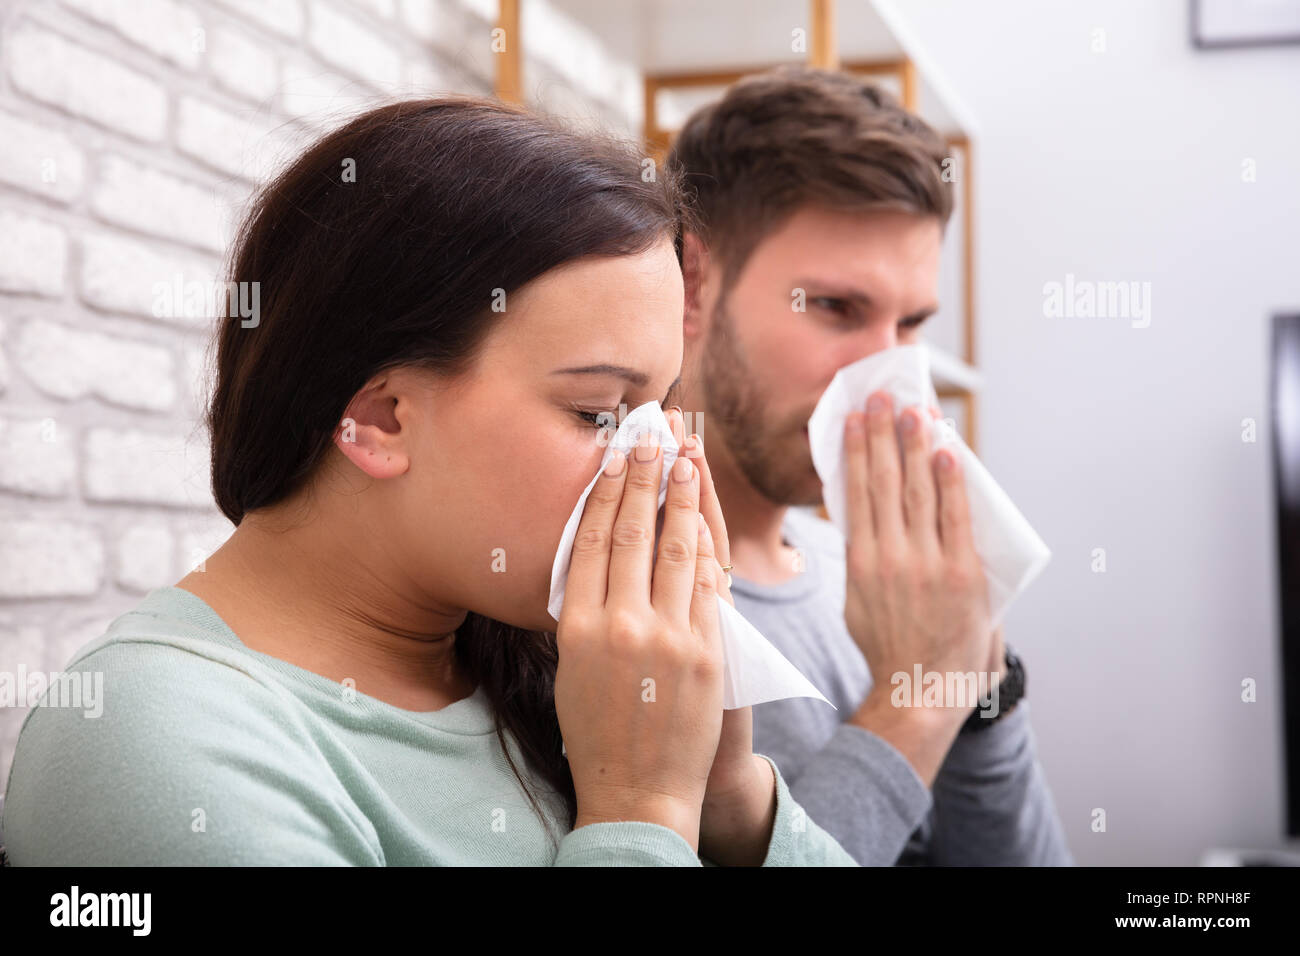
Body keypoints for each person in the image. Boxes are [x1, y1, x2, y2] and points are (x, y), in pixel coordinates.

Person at [0, 97, 857, 867]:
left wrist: (727, 795)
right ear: (378, 420)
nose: (657, 463)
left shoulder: (554, 669)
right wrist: (641, 810)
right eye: (599, 413)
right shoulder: (149, 743)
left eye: (661, 409)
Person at [665, 66, 1073, 865]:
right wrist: (916, 704)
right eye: (836, 308)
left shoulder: (883, 579)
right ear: (692, 284)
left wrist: (978, 687)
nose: (885, 381)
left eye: (911, 323)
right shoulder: (607, 602)